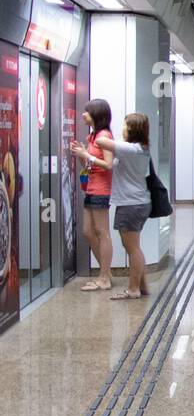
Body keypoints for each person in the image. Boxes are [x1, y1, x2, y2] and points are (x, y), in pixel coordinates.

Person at [73, 112, 152, 300]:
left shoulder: (129, 148)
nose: (122, 129)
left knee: (132, 248)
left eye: (125, 125)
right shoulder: (140, 148)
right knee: (134, 247)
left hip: (131, 204)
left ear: (132, 129)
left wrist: (86, 151)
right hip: (137, 202)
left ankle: (133, 289)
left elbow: (102, 142)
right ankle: (142, 285)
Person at [72, 99, 114, 292]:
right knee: (88, 231)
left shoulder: (104, 136)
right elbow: (89, 167)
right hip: (90, 187)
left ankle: (104, 277)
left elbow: (108, 164)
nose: (83, 114)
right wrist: (81, 154)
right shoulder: (91, 137)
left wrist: (87, 155)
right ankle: (106, 272)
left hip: (101, 190)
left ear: (96, 114)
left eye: (87, 111)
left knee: (102, 233)